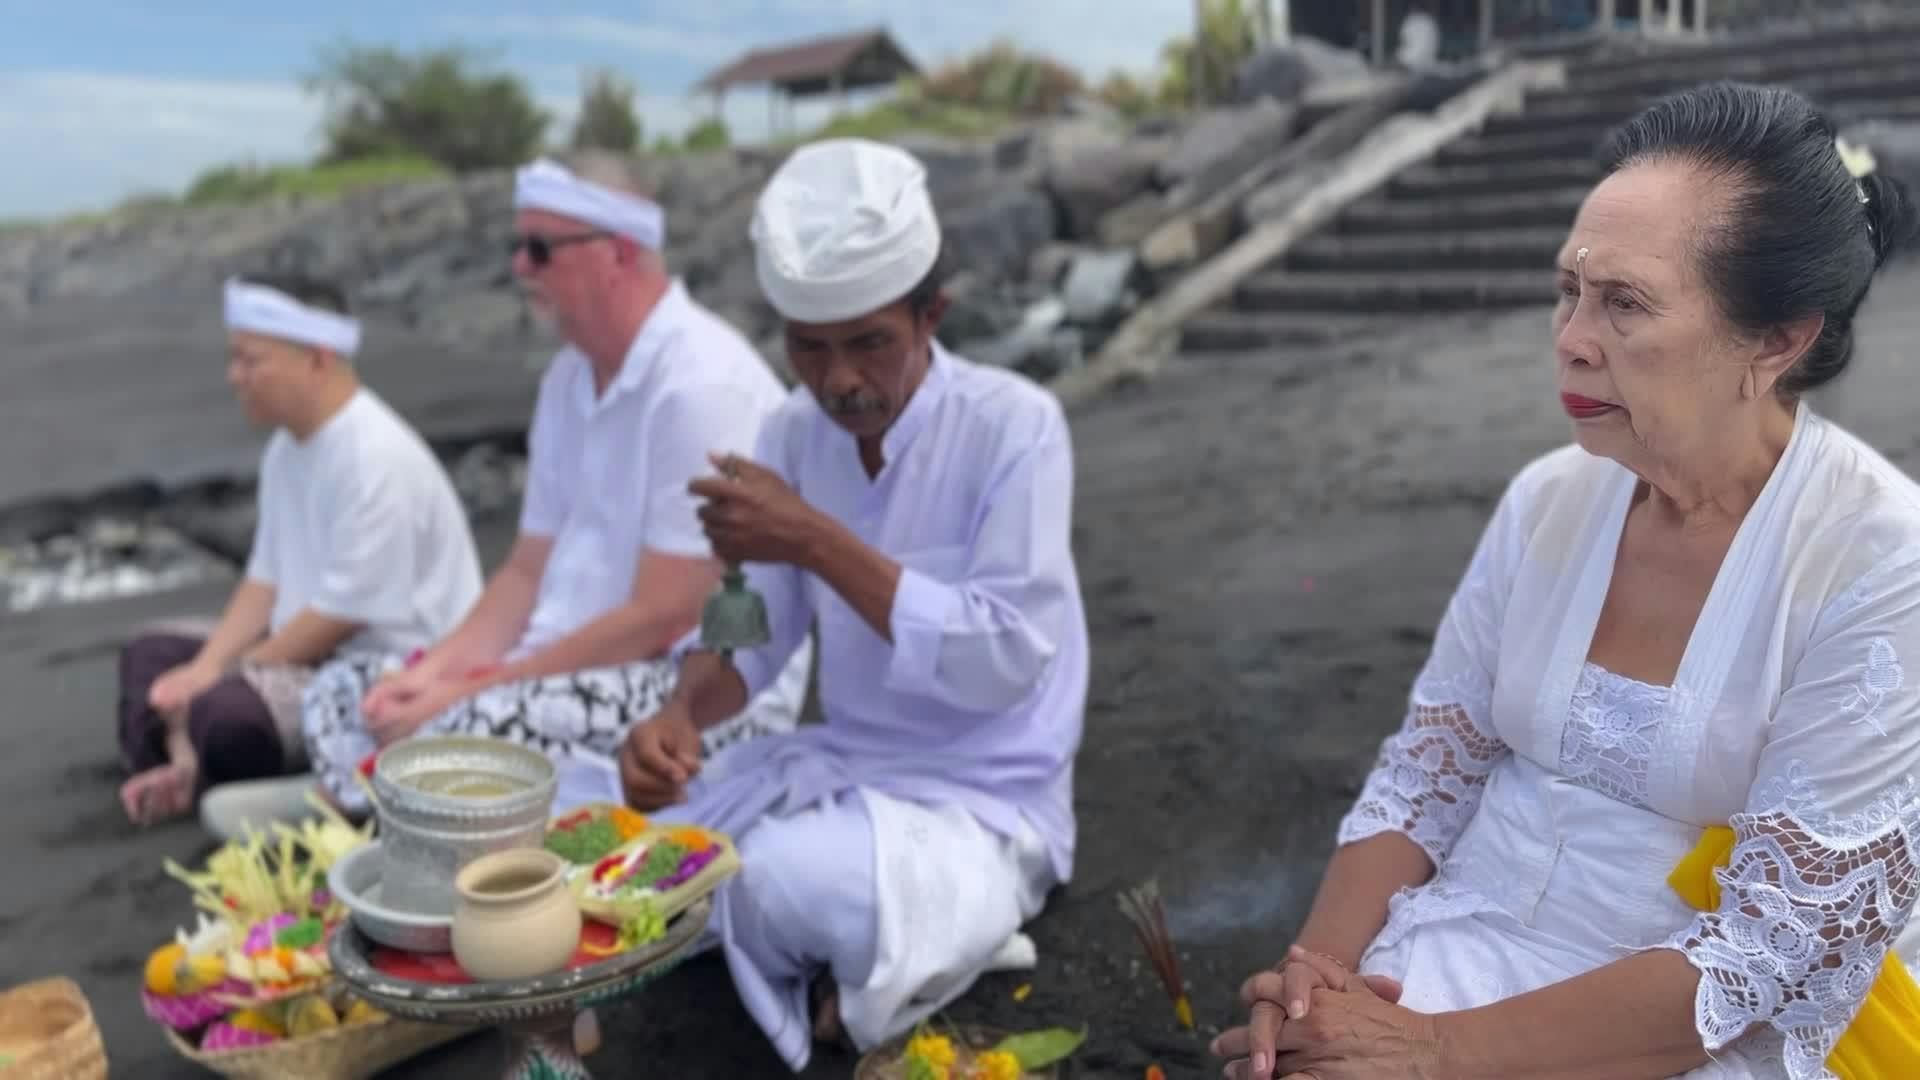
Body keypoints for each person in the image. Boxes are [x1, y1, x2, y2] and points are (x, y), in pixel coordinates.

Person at [1211, 82, 1920, 1080]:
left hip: (1689, 1020)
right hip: (1466, 935)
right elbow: (1430, 771)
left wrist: (1436, 1052)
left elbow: (1769, 952)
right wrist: (1317, 977)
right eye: (1568, 290)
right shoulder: (1550, 499)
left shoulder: (1879, 560)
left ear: (1778, 340)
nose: (1571, 337)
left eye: (1624, 302)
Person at [619, 137, 1087, 1072]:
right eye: (808, 347)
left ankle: (935, 934)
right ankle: (896, 959)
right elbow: (751, 628)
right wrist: (677, 713)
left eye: (869, 342)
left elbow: (1005, 659)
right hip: (844, 765)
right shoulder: (795, 431)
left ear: (931, 316)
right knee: (635, 856)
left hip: (985, 796)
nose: (838, 381)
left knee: (776, 882)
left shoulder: (1016, 426)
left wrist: (813, 537)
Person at [302, 150, 811, 816]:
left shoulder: (698, 386)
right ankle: (379, 797)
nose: (519, 267)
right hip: (560, 667)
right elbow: (524, 574)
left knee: (471, 730)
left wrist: (466, 693)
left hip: (695, 694)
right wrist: (431, 674)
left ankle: (370, 802)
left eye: (540, 249)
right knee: (344, 689)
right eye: (520, 247)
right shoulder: (567, 380)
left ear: (619, 252)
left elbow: (666, 614)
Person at [117, 272, 482, 827]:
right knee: (149, 659)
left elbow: (341, 617)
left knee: (225, 713)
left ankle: (261, 772)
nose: (234, 376)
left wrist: (219, 677)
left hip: (382, 669)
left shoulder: (374, 455)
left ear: (316, 359)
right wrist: (207, 665)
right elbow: (264, 582)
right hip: (299, 651)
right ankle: (188, 766)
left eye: (250, 360)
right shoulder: (286, 451)